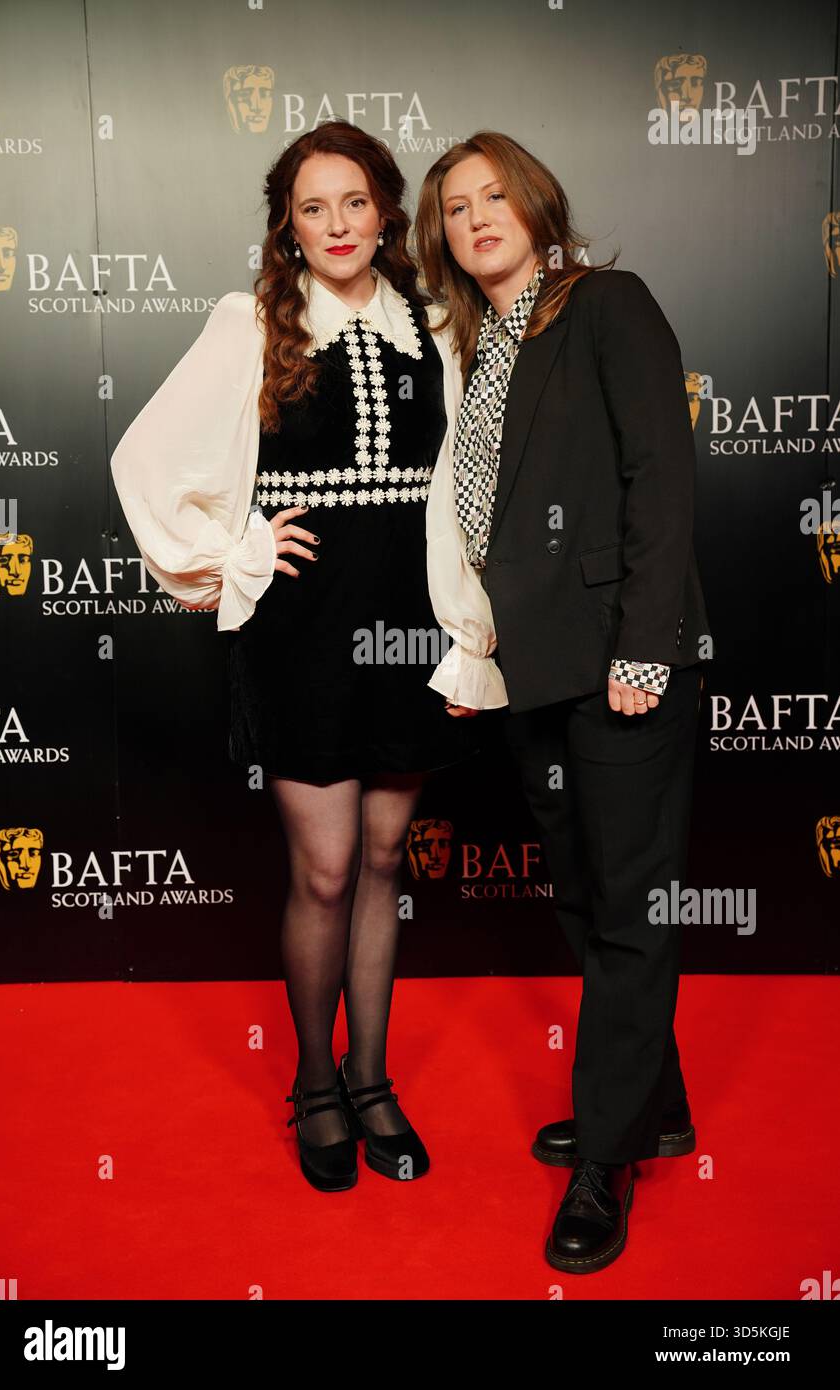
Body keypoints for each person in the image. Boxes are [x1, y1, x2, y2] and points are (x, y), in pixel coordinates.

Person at [110, 120, 506, 1195]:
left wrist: (470, 627)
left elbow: (462, 486)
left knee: (382, 862)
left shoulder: (434, 321)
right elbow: (142, 458)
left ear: (386, 212)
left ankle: (375, 1081)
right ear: (288, 225)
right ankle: (317, 1084)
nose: (336, 225)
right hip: (304, 628)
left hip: (408, 620)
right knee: (324, 868)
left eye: (354, 203)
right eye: (311, 207)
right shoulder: (251, 323)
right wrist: (231, 552)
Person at [417, 130, 711, 1272]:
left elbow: (659, 476)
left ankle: (605, 1158)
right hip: (528, 668)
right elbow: (479, 521)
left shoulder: (603, 304)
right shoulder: (481, 341)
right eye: (453, 206)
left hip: (620, 662)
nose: (476, 216)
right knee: (590, 899)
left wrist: (645, 647)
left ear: (537, 203)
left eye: (495, 195)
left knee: (628, 908)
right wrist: (472, 651)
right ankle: (651, 1107)